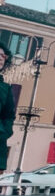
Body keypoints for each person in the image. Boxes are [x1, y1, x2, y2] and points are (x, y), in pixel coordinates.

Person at [0, 42, 17, 173]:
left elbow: (9, 115)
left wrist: (4, 132)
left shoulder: (6, 88)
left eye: (3, 56)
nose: (1, 58)